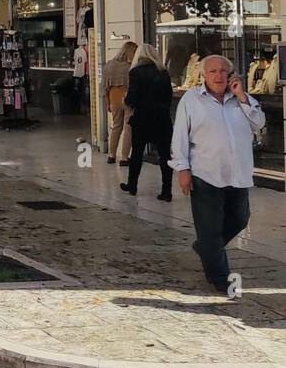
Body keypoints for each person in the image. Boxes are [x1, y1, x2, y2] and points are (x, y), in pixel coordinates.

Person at [171, 54, 266, 295]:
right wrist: (182, 169)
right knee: (210, 228)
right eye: (213, 71)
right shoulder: (191, 100)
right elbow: (180, 135)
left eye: (223, 71)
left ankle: (206, 248)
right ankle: (220, 278)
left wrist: (242, 96)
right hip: (205, 172)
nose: (218, 76)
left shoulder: (241, 100)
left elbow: (260, 123)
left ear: (231, 75)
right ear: (204, 75)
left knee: (240, 218)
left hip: (237, 172)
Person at [120, 43, 174, 201]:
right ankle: (166, 191)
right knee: (165, 156)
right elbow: (169, 96)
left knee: (137, 153)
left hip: (142, 118)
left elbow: (133, 97)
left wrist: (126, 101)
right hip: (162, 118)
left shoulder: (136, 72)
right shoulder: (163, 72)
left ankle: (132, 185)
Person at [103, 41, 138, 162]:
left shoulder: (109, 65)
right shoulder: (131, 67)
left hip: (114, 98)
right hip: (128, 97)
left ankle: (111, 155)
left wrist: (108, 102)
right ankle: (124, 157)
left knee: (116, 126)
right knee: (128, 127)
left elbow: (105, 86)